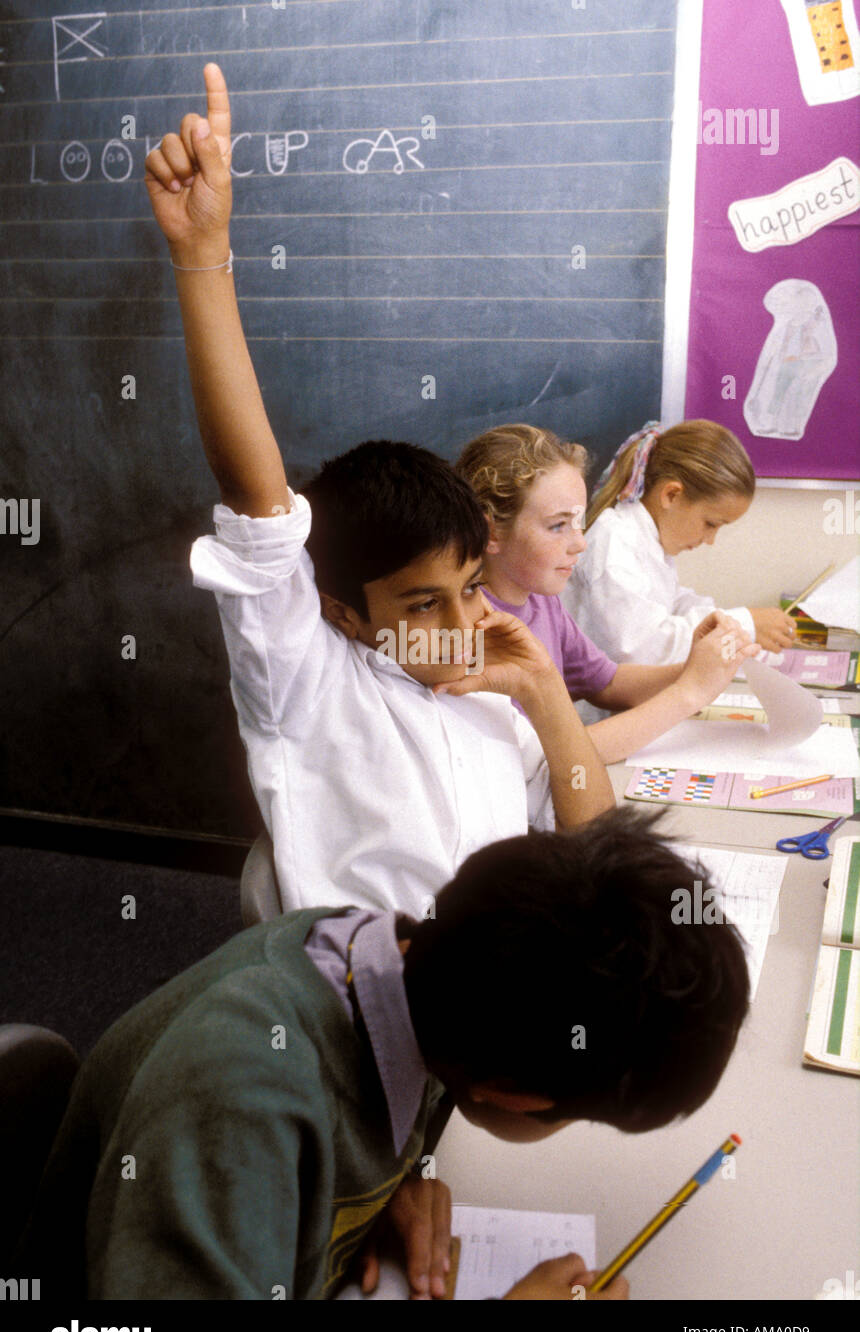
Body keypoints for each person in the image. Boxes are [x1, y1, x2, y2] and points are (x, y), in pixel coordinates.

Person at [142, 64, 613, 920]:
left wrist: (545, 694)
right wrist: (202, 255)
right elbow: (257, 496)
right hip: (393, 1013)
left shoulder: (490, 698)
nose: (467, 622)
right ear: (343, 613)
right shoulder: (309, 681)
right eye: (423, 604)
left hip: (511, 983)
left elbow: (600, 853)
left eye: (470, 589)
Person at [14, 807, 750, 1300]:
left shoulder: (419, 966)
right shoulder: (235, 1098)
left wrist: (379, 1189)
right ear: (516, 1094)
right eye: (576, 1117)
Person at [455, 424, 760, 761]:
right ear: (491, 532)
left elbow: (608, 683)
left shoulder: (542, 600)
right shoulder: (473, 630)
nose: (580, 543)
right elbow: (550, 759)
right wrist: (689, 692)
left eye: (578, 522)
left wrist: (699, 665)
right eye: (558, 525)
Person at [564, 419, 796, 668]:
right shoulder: (614, 541)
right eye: (710, 523)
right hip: (599, 705)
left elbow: (671, 602)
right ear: (671, 495)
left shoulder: (649, 539)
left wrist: (723, 621)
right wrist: (743, 624)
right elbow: (637, 647)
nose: (710, 540)